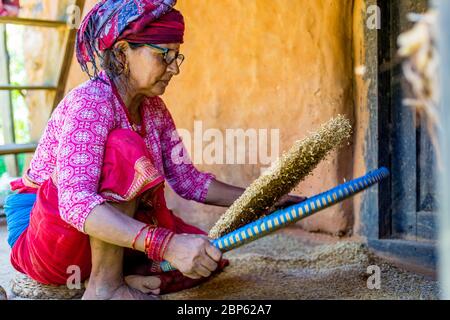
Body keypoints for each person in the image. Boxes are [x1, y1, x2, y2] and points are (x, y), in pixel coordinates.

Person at [4, 0, 305, 300]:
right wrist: (167, 245)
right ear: (122, 53)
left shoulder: (154, 109)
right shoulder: (91, 101)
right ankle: (105, 288)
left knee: (206, 255)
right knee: (124, 149)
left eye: (177, 56)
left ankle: (118, 278)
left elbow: (189, 181)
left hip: (88, 236)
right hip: (46, 239)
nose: (174, 68)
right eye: (165, 55)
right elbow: (75, 203)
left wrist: (263, 199)